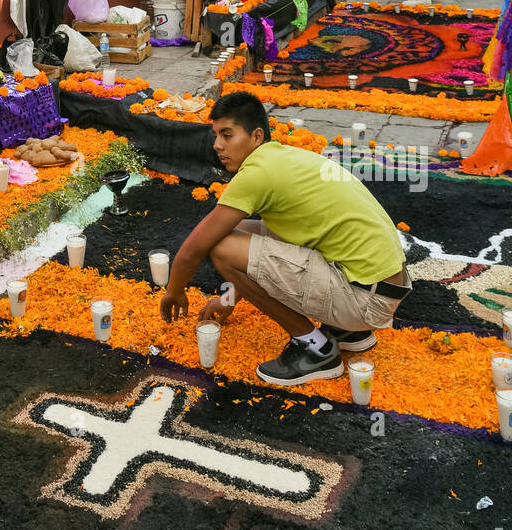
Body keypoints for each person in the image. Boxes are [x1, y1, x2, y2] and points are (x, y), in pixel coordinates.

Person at [159, 93, 411, 386]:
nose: (217, 145)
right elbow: (252, 258)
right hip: (383, 286)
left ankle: (314, 347)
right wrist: (227, 301)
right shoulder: (285, 157)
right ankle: (346, 332)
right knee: (240, 232)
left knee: (221, 245)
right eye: (216, 136)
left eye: (227, 135)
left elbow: (195, 248)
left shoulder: (257, 174)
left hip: (365, 300)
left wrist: (174, 291)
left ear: (256, 136)